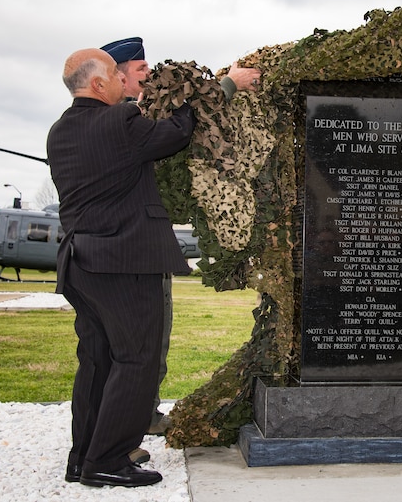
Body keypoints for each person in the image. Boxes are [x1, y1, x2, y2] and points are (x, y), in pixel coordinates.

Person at [98, 37, 261, 463]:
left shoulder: (105, 118)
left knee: (137, 343)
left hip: (124, 249)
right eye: (140, 70)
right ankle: (121, 435)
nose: (149, 75)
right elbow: (177, 125)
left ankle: (133, 417)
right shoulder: (123, 117)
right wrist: (228, 83)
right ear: (116, 76)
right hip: (131, 251)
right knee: (138, 346)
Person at [47, 47, 198, 488]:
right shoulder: (119, 121)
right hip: (124, 261)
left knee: (96, 361)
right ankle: (109, 459)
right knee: (136, 360)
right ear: (98, 84)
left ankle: (83, 457)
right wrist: (197, 96)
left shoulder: (59, 130)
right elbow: (176, 133)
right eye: (115, 74)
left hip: (80, 263)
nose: (122, 81)